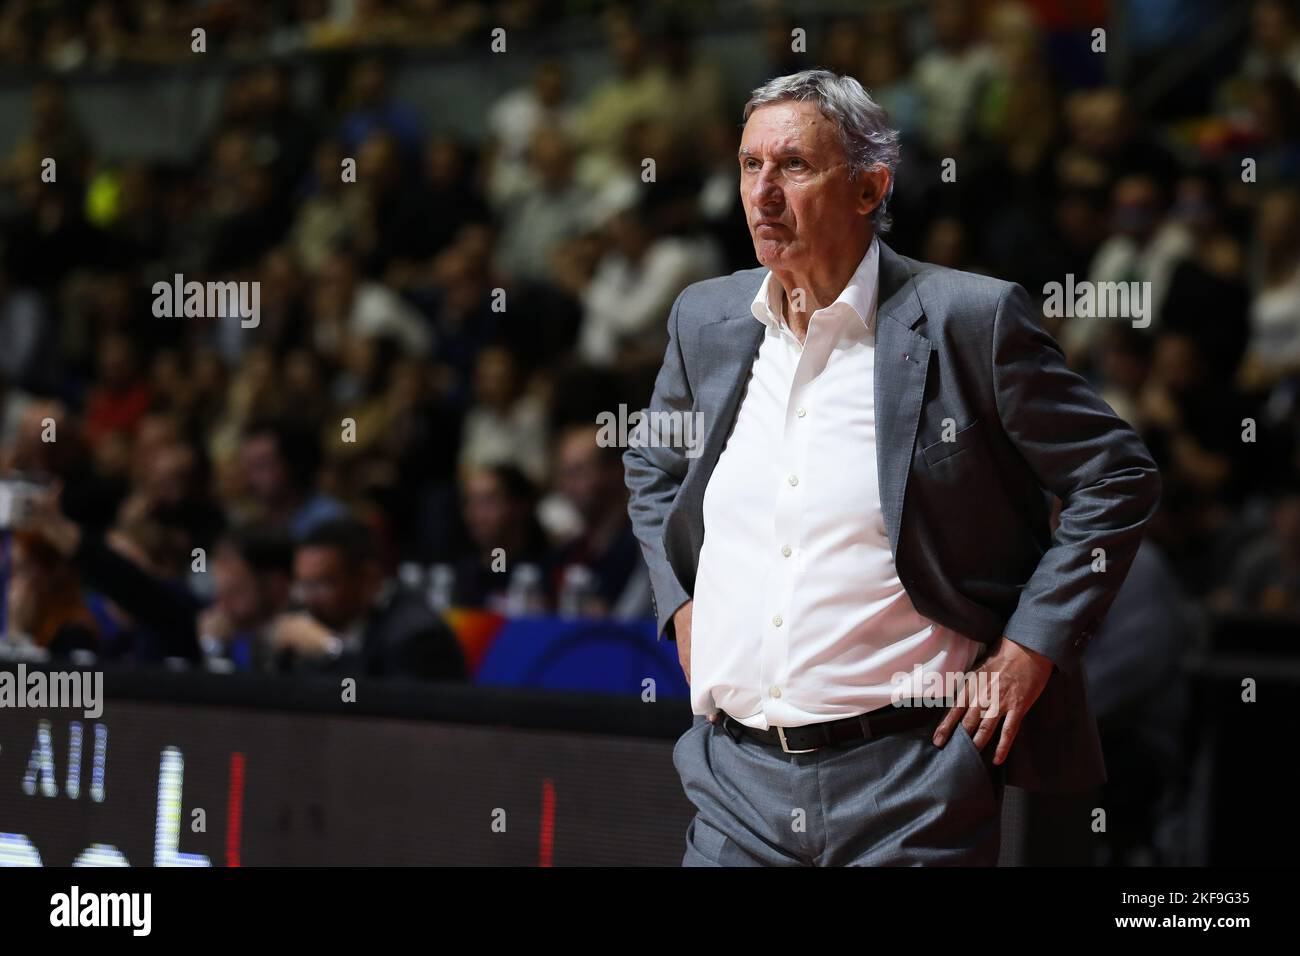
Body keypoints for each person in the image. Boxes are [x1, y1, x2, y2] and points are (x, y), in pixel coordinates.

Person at [624, 70, 1162, 866]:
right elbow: (650, 460)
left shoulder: (967, 319)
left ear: (870, 186)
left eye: (794, 167)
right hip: (731, 783)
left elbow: (1115, 476)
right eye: (748, 166)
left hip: (907, 784)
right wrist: (681, 605)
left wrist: (1030, 649)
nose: (762, 193)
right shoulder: (705, 318)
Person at [271, 517, 466, 681]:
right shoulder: (314, 624)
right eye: (304, 585)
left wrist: (331, 650)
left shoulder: (417, 636)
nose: (309, 599)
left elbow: (380, 711)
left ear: (367, 580)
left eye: (323, 584)